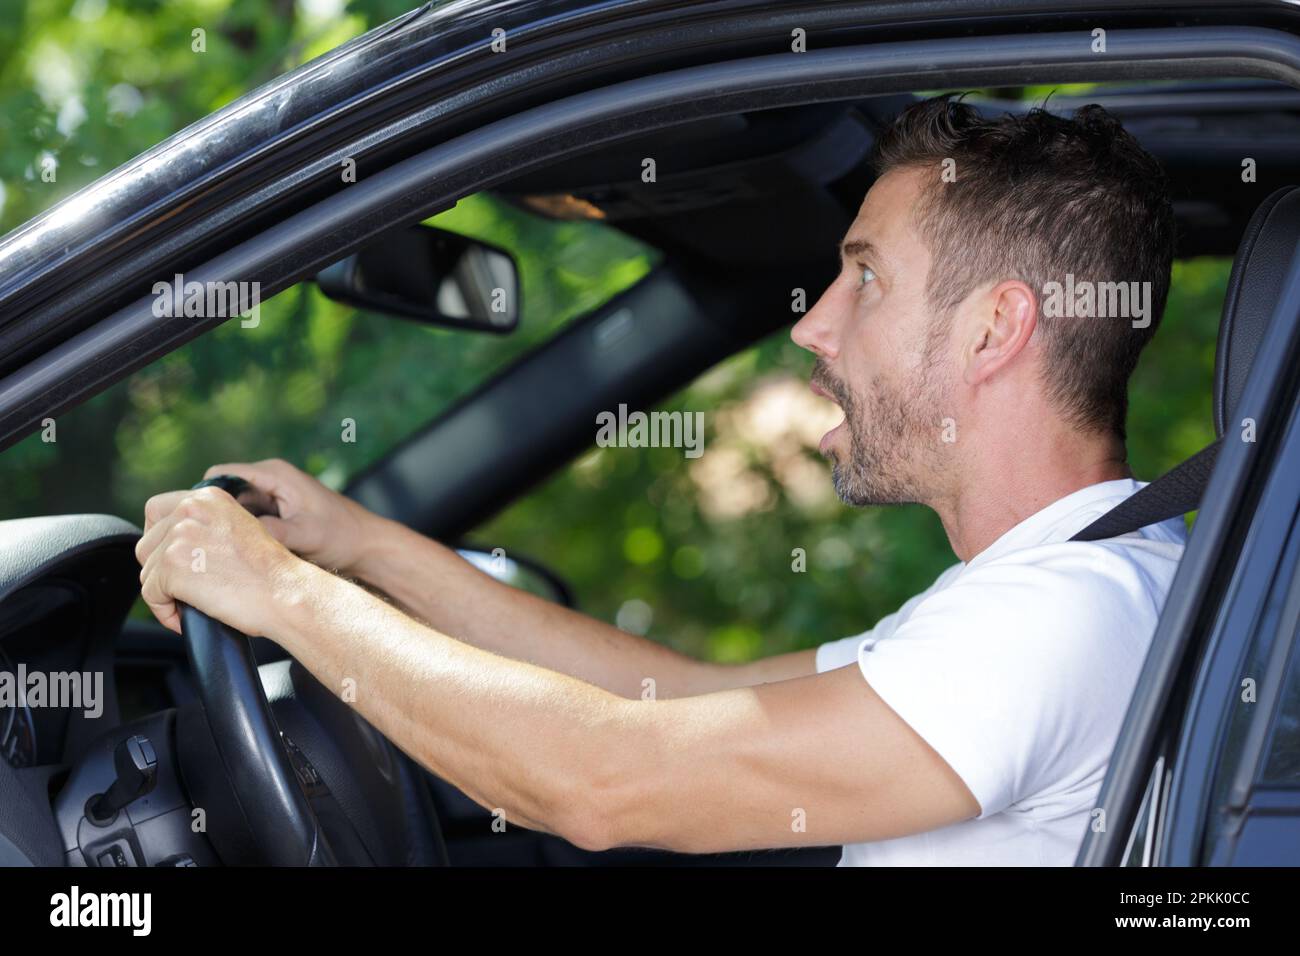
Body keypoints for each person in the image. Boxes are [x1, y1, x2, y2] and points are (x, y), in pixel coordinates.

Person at [137, 95, 1185, 865]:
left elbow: (604, 779)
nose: (812, 323)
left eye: (864, 276)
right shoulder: (1052, 585)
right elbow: (672, 698)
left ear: (994, 329)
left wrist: (280, 593)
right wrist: (358, 543)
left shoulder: (1062, 618)